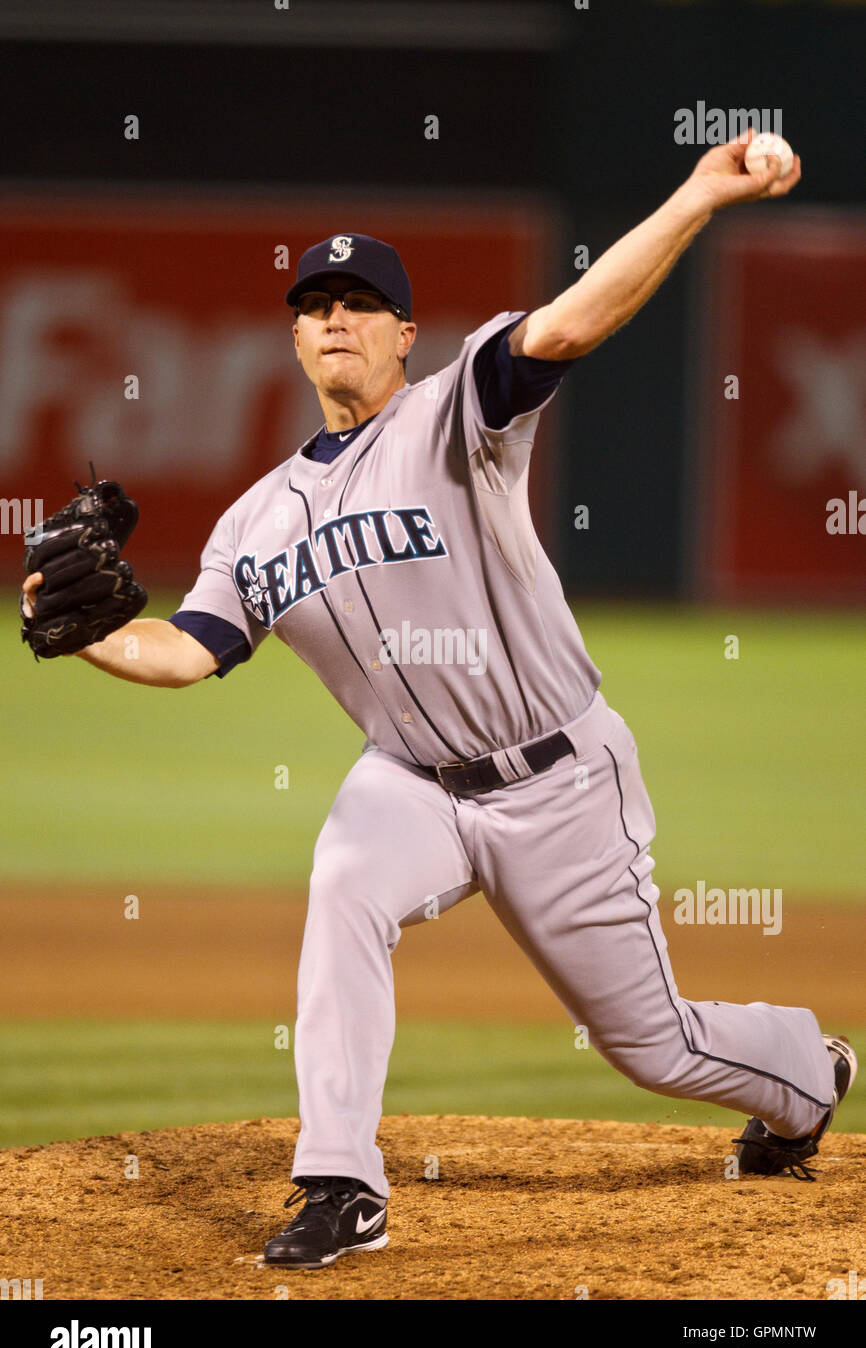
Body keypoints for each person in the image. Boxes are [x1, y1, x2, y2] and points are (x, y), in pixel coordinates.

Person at [22, 131, 856, 1272]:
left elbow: (564, 324)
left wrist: (697, 195)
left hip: (557, 778)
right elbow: (185, 649)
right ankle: (340, 1183)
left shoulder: (459, 411)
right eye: (315, 302)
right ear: (294, 333)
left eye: (362, 303)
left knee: (651, 1044)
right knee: (340, 888)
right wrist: (94, 637)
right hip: (408, 780)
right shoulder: (255, 519)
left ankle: (808, 1076)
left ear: (405, 335)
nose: (334, 319)